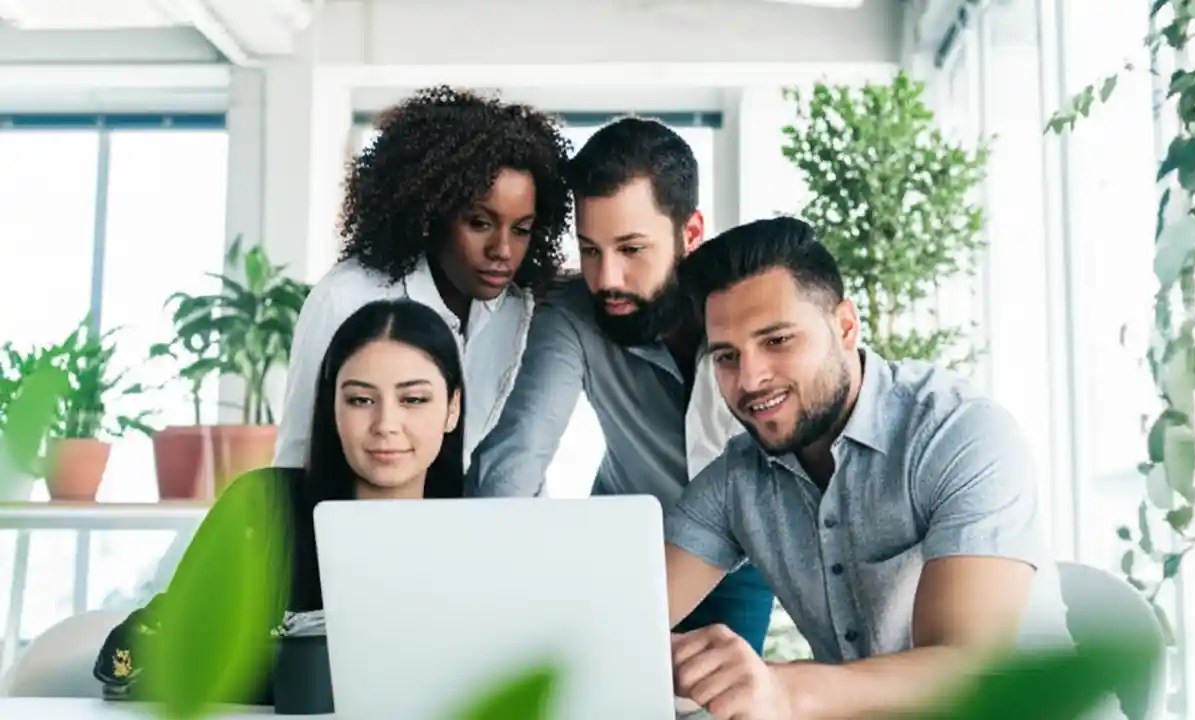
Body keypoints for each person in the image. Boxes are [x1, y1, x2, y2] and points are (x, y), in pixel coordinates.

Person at [663, 217, 1077, 719]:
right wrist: (673, 664)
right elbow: (628, 621)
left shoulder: (958, 433)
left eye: (777, 341)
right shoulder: (737, 481)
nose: (750, 379)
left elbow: (970, 674)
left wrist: (784, 690)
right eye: (727, 356)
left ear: (844, 327)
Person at [465, 117, 775, 653]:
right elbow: (517, 454)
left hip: (739, 558)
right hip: (626, 545)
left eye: (631, 250)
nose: (606, 278)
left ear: (691, 233)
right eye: (590, 249)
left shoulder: (748, 307)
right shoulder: (572, 315)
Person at [94, 299, 464, 704]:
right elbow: (135, 657)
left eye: (413, 400)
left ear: (452, 409)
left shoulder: (482, 541)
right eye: (361, 400)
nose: (385, 425)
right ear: (332, 408)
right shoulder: (265, 508)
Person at [274, 85, 573, 497]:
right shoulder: (346, 298)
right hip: (343, 532)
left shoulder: (514, 306)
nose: (502, 250)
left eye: (521, 229)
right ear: (432, 213)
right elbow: (296, 457)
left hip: (442, 537)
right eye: (480, 223)